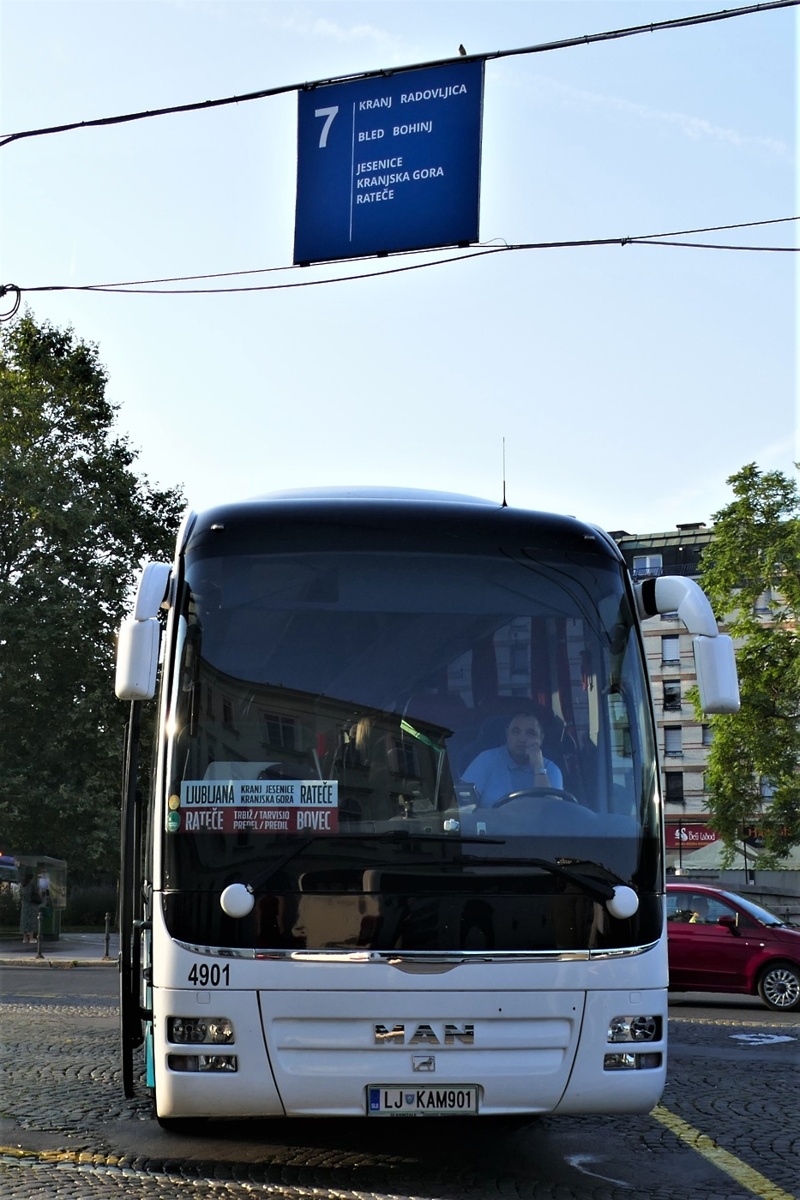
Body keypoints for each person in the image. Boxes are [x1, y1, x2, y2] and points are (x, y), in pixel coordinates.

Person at [462, 710, 563, 807]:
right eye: (516, 732)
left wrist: (539, 768)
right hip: (492, 823)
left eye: (530, 733)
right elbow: (463, 805)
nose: (522, 739)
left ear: (541, 738)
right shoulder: (486, 760)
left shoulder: (551, 770)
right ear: (507, 735)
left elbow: (550, 813)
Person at [18, 870, 42, 944]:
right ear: (31, 878)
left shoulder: (22, 886)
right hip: (32, 905)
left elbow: (20, 895)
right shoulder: (32, 886)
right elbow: (38, 893)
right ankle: (31, 938)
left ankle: (24, 938)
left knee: (24, 921)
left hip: (24, 906)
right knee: (31, 921)